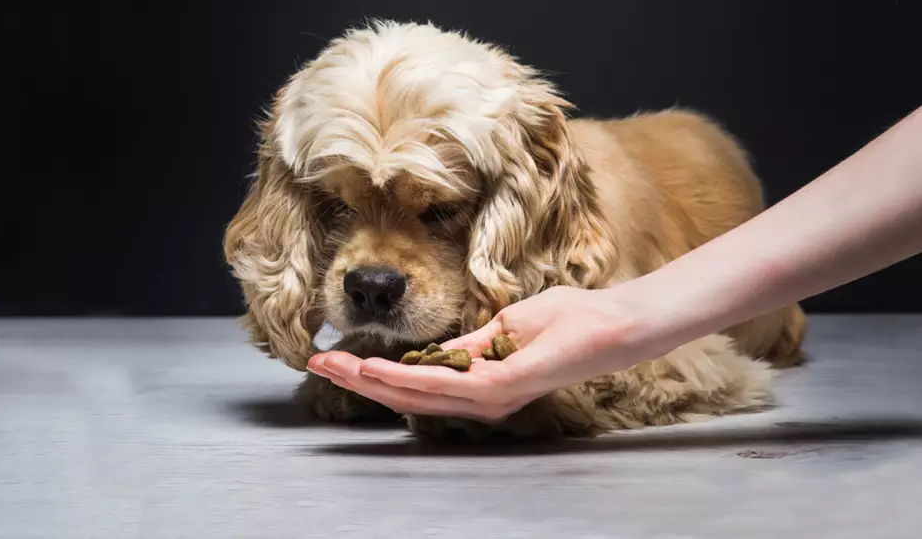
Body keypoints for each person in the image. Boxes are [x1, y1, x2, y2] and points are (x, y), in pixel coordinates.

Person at [307, 106, 922, 423]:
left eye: (439, 211)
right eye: (341, 205)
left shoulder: (570, 204)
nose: (375, 268)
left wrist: (545, 404)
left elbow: (709, 367)